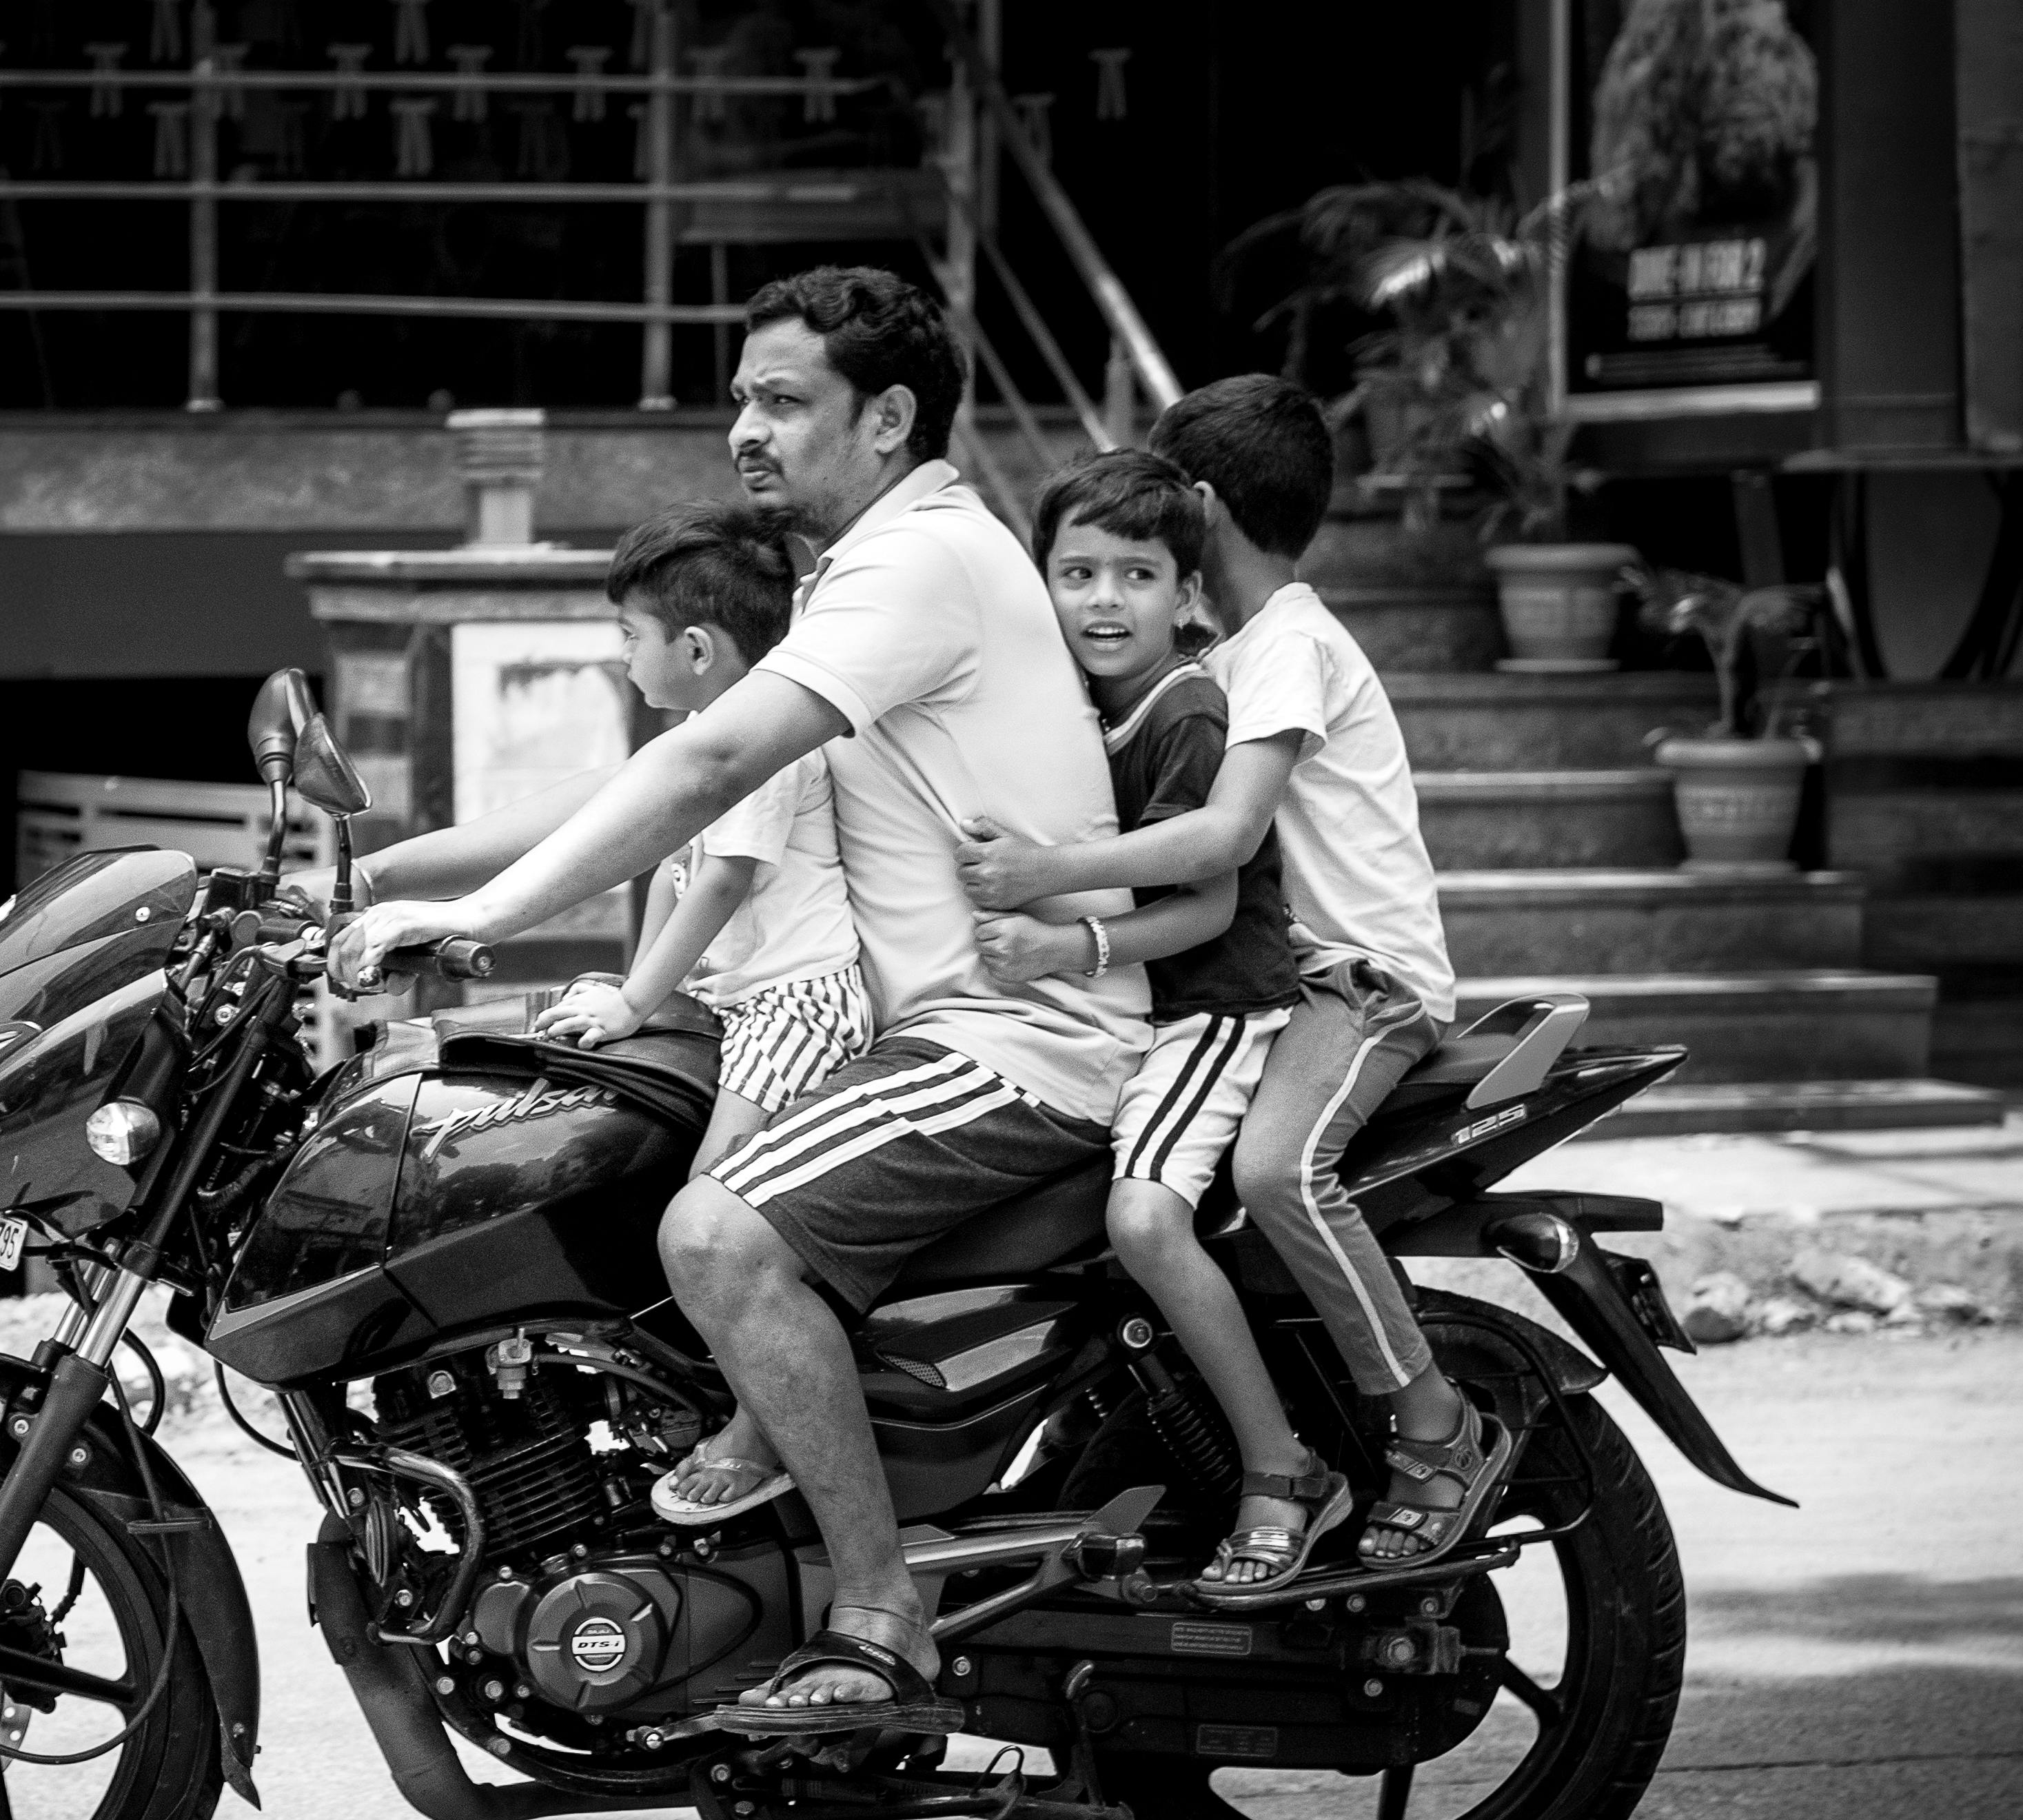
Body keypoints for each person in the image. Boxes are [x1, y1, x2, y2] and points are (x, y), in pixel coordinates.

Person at [335, 264, 1148, 1731]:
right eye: (739, 401)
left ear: (888, 416)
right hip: (938, 1025)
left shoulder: (922, 564)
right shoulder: (860, 575)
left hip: (1017, 1040)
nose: (745, 432)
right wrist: (368, 871)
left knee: (711, 1232)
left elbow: (705, 772)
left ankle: (878, 1616)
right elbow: (647, 780)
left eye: (783, 402)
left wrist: (476, 920)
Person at [959, 374, 1516, 1570]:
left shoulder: (1286, 650)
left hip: (1362, 985)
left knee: (1278, 1172)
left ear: (1198, 506)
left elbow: (1222, 839)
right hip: (1280, 979)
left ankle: (1435, 1423)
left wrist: (1045, 875)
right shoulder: (1230, 650)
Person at [962, 450, 1339, 1586]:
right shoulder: (1080, 708)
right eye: (1076, 573)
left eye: (1135, 575)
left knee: (1140, 1222)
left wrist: (1058, 935)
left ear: (1187, 597)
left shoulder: (1184, 708)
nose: (1102, 600)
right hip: (1133, 1014)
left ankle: (1283, 1470)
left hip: (1212, 1008)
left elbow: (1211, 899)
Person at [536, 501, 873, 1192]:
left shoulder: (760, 744)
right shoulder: (703, 732)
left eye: (632, 634)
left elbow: (725, 879)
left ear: (695, 648)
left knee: (710, 1190)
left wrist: (633, 1006)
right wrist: (644, 992)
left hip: (793, 1005)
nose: (622, 651)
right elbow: (673, 870)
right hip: (731, 995)